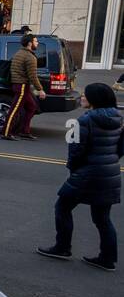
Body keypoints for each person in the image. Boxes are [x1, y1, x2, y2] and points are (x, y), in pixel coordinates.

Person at [37, 82, 122, 271]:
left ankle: (62, 247)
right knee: (102, 218)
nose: (82, 97)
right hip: (110, 173)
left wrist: (74, 169)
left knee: (63, 206)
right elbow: (120, 148)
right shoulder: (118, 118)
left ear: (94, 100)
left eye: (86, 95)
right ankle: (108, 258)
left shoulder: (84, 121)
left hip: (87, 173)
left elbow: (75, 150)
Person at [2, 32, 44, 141]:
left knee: (31, 107)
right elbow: (33, 76)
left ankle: (25, 132)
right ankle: (6, 133)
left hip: (21, 86)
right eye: (36, 41)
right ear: (30, 43)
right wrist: (40, 90)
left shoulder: (19, 52)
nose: (37, 43)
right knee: (14, 110)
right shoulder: (30, 57)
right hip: (21, 86)